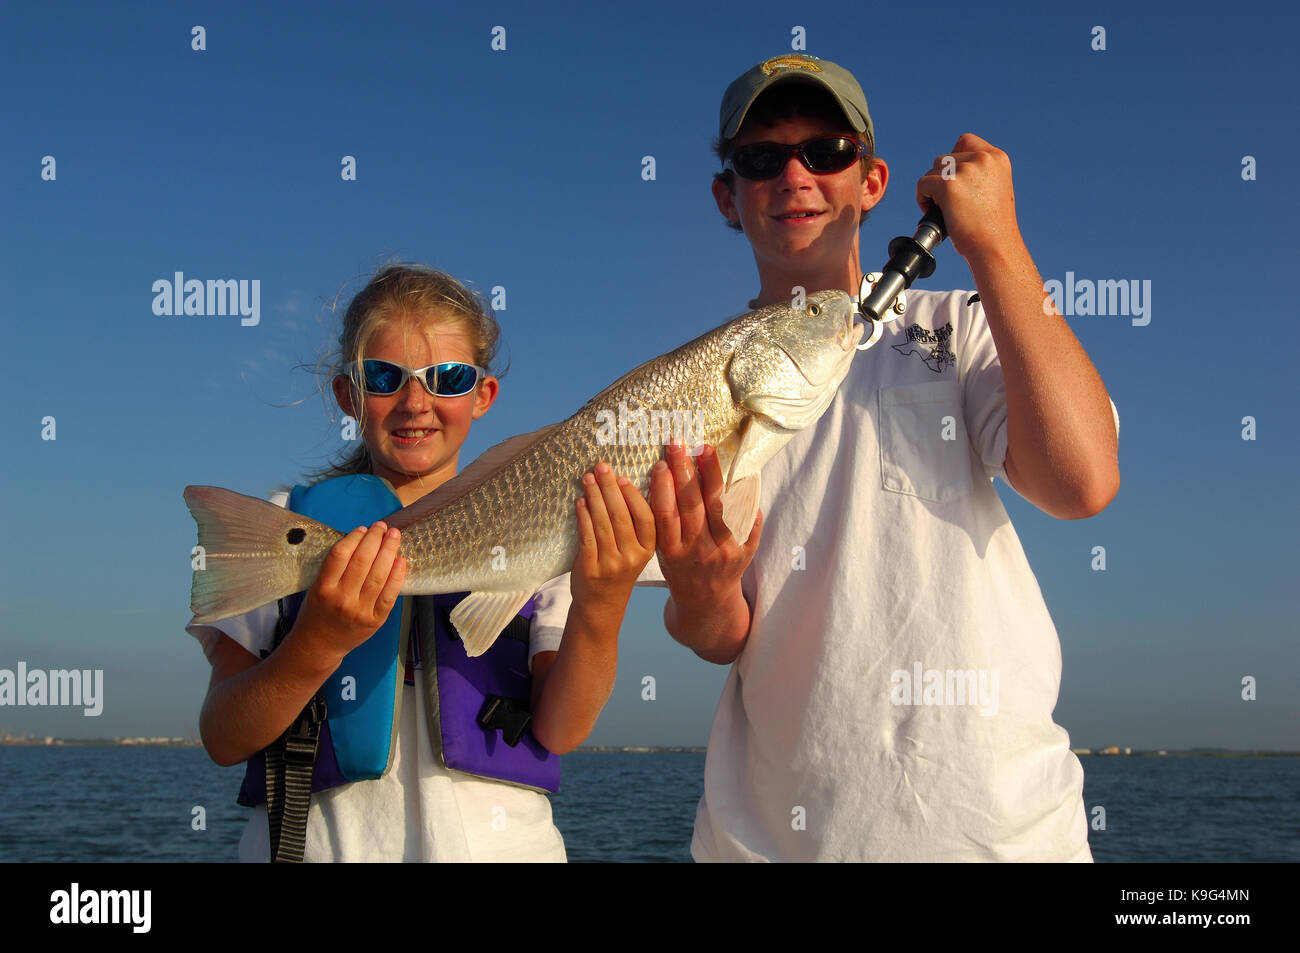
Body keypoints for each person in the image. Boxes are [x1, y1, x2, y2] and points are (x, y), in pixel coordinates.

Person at [645, 55, 1120, 861]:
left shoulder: (967, 322)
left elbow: (1082, 480)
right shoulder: (686, 392)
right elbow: (720, 633)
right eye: (761, 158)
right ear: (729, 196)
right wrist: (703, 591)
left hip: (1003, 836)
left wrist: (996, 242)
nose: (795, 174)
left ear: (872, 181)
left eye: (827, 151)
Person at [187, 264, 655, 862]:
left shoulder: (552, 529)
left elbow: (563, 729)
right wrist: (316, 644)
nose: (416, 403)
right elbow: (222, 736)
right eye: (384, 377)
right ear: (347, 394)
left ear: (483, 394)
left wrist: (605, 603)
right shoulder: (286, 526)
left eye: (448, 378)